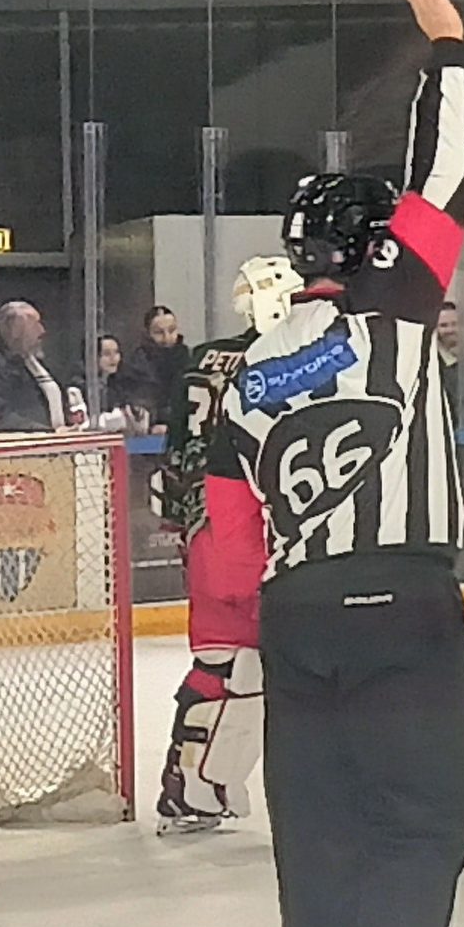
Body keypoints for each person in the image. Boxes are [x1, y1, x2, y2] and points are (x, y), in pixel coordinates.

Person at [197, 0, 464, 927]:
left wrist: (238, 654)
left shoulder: (240, 375)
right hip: (404, 605)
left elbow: (224, 554)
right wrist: (446, 51)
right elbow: (445, 175)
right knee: (416, 830)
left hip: (295, 617)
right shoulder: (394, 310)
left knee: (316, 852)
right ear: (370, 249)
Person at [149, 254, 302, 836]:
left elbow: (175, 455)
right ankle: (198, 785)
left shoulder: (200, 360)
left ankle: (192, 785)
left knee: (224, 660)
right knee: (261, 664)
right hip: (252, 524)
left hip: (203, 526)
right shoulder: (288, 359)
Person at [0, 301, 67, 432]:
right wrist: (46, 432)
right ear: (15, 331)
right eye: (35, 324)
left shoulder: (29, 358)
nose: (42, 330)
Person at [135, 305, 189, 424]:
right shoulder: (139, 362)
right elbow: (143, 400)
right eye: (159, 332)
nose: (167, 337)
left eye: (172, 330)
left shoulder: (188, 357)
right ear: (148, 334)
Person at [95, 335, 158, 434]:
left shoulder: (126, 382)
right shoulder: (84, 386)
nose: (113, 358)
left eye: (116, 352)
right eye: (107, 354)